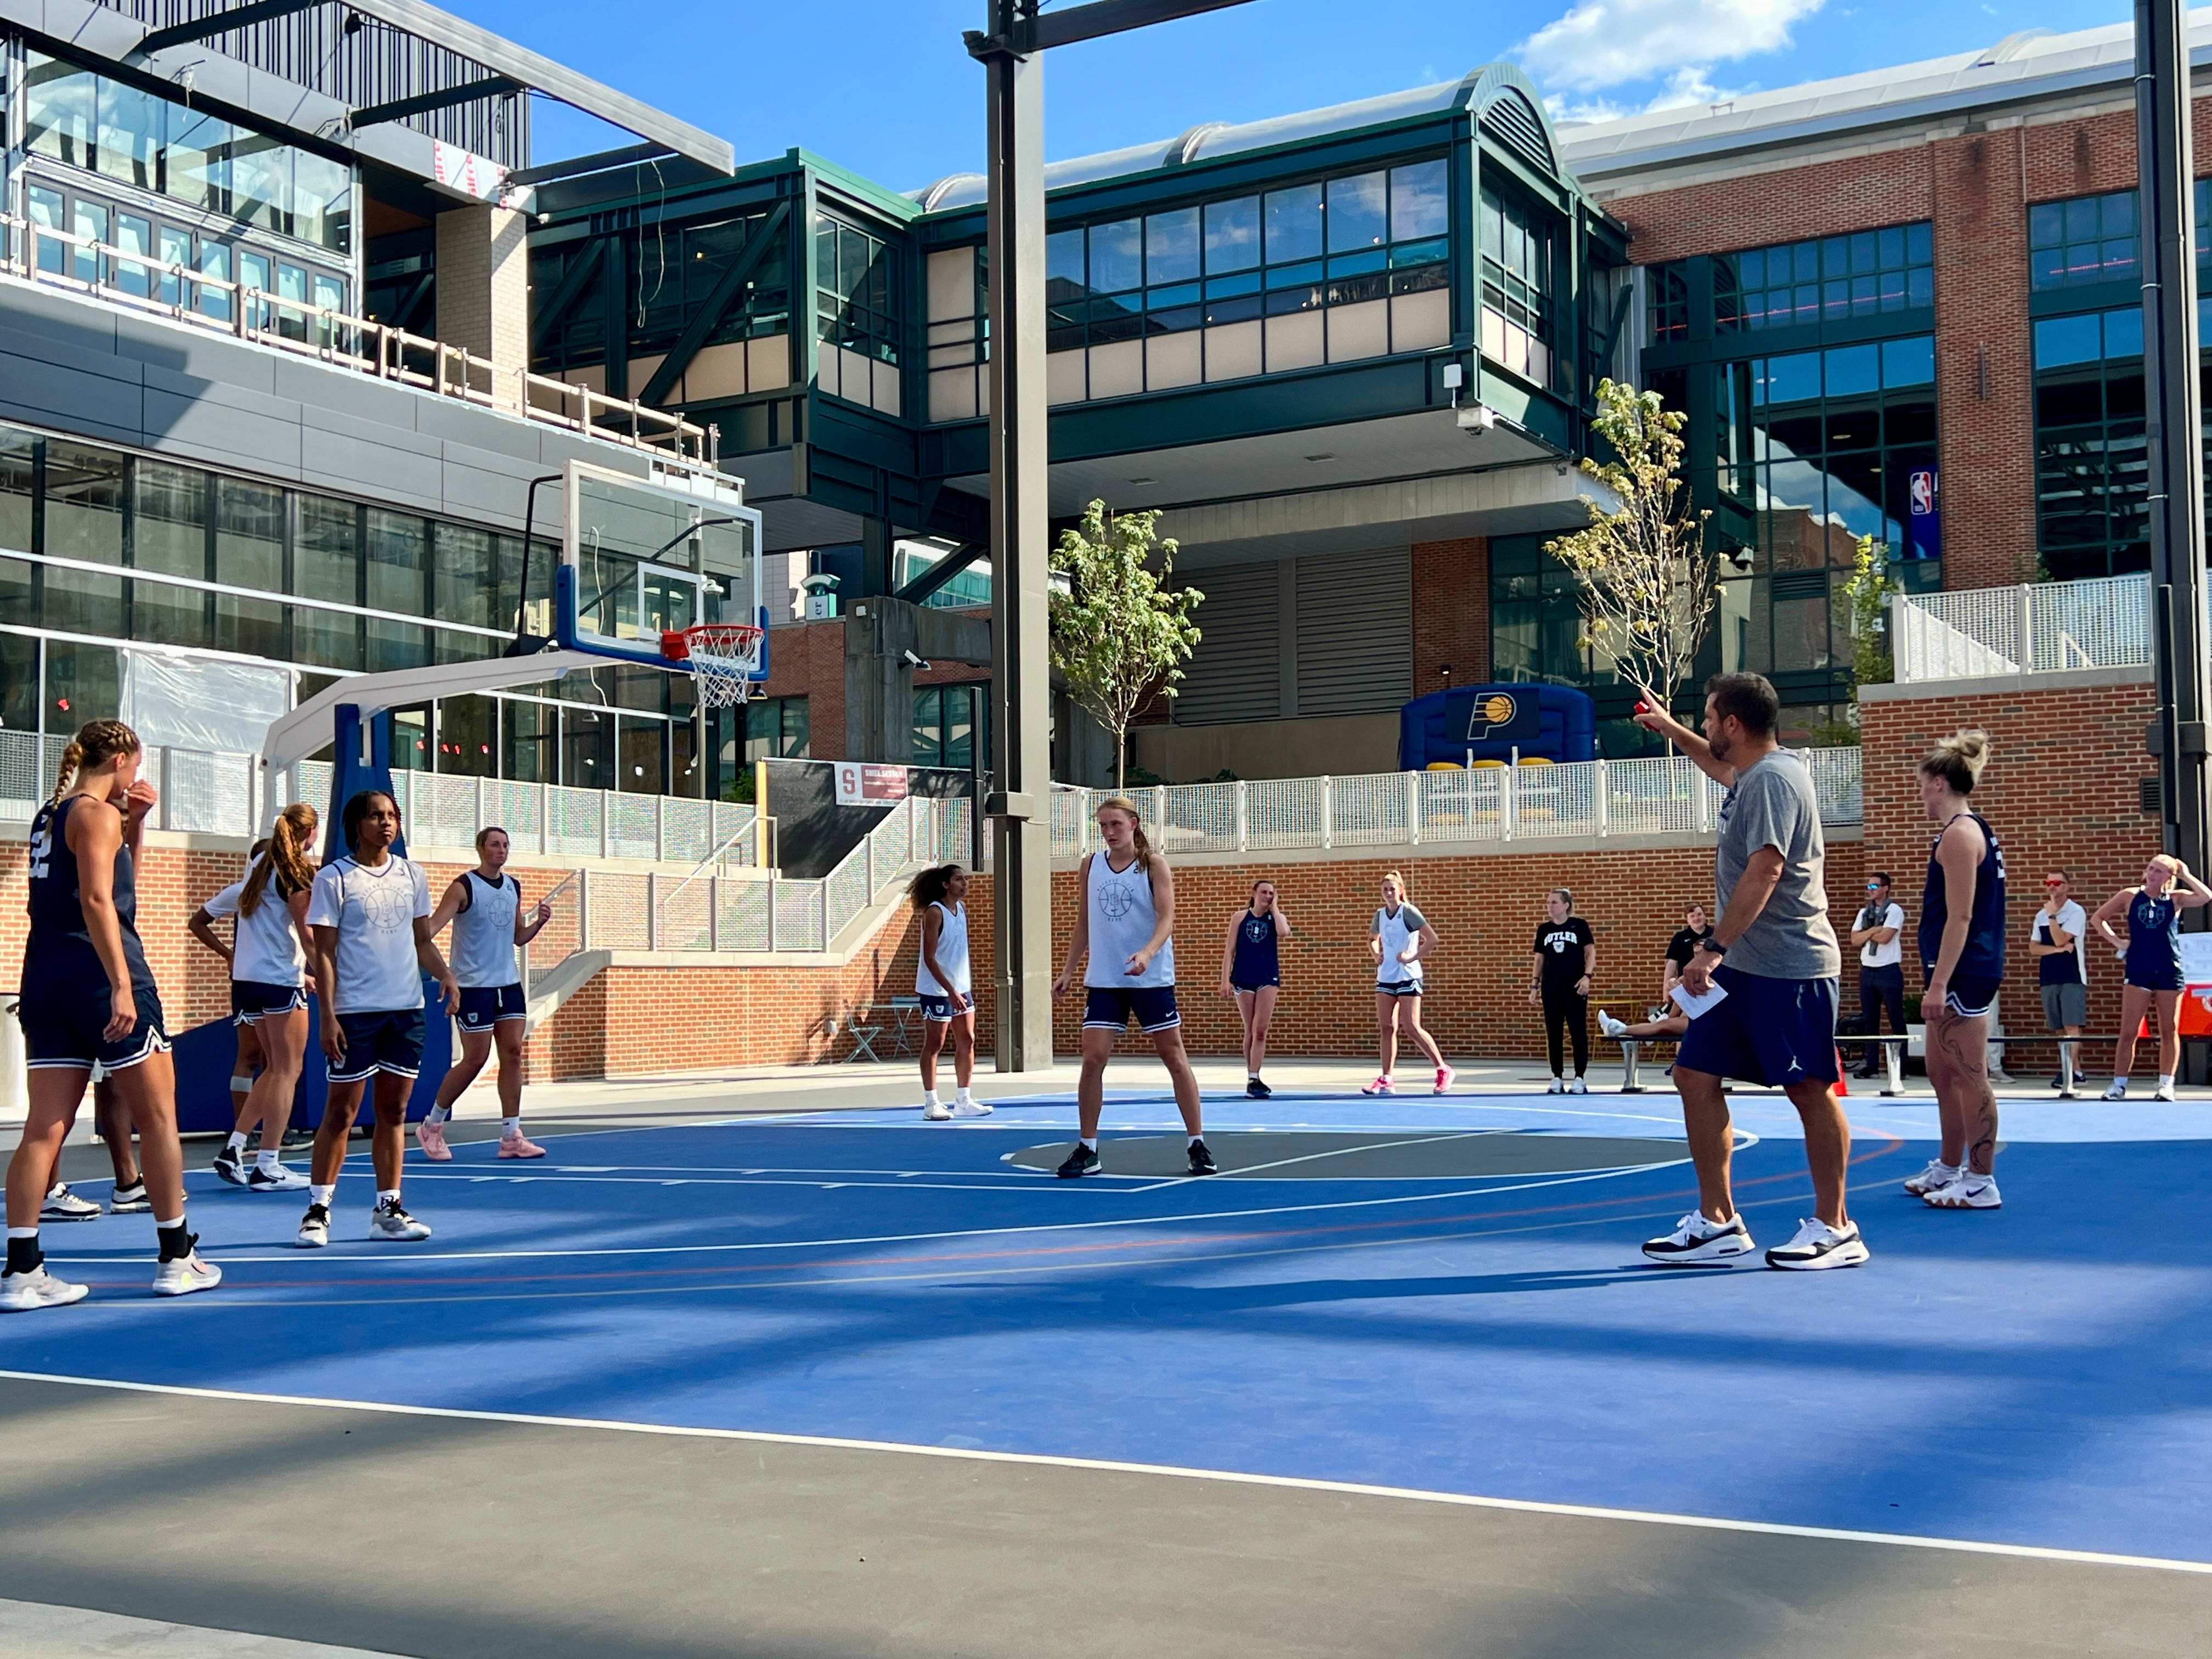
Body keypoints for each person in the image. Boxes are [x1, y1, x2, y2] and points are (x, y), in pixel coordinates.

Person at [1630, 675, 1865, 1271]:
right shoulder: (1756, 775)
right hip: (1743, 968)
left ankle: (1837, 1228)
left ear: (1733, 723)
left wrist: (1709, 950)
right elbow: (1717, 767)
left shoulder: (1774, 780)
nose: (1706, 728)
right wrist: (1671, 728)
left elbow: (1765, 871)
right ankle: (1718, 1222)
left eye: (1708, 718)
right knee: (1694, 1076)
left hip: (1788, 966)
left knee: (1808, 1088)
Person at [2, 720, 219, 1311]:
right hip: (102, 979)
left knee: (45, 1126)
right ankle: (177, 1257)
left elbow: (118, 890)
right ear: (121, 758)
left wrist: (137, 825)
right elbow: (101, 904)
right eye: (136, 765)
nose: (138, 777)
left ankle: (22, 1267)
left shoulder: (51, 817)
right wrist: (121, 984)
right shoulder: (94, 816)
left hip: (46, 980)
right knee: (158, 1117)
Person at [297, 790, 459, 1247]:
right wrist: (327, 1016)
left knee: (394, 1112)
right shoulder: (334, 879)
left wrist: (446, 975)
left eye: (392, 816)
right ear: (356, 825)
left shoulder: (413, 875)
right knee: (342, 1112)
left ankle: (387, 1210)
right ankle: (317, 1211)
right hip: (354, 1013)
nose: (386, 824)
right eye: (375, 816)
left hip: (406, 1013)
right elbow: (324, 955)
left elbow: (422, 941)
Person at [1050, 795, 1211, 1178]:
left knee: (1174, 1057)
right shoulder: (1090, 866)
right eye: (1103, 826)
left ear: (1134, 824)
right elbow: (1084, 921)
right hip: (1106, 978)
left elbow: (1167, 917)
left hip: (1149, 978)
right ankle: (1088, 1148)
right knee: (1092, 1059)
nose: (1108, 832)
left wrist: (1148, 953)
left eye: (1115, 825)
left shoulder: (1153, 865)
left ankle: (1197, 1142)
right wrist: (1069, 969)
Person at [188, 804, 319, 1192]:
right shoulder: (294, 875)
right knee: (287, 1070)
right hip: (278, 981)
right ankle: (268, 1163)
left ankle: (235, 1145)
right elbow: (306, 934)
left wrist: (233, 957)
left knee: (274, 1068)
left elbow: (203, 922)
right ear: (307, 835)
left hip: (249, 981)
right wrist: (331, 976)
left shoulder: (252, 880)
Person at [1909, 732, 2007, 1210]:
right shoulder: (1959, 833)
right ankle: (1950, 1165)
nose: (1920, 794)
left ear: (1941, 784)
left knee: (1970, 1073)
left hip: (1965, 971)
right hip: (1951, 967)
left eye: (1924, 785)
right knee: (1940, 1072)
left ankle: (1981, 1177)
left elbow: (1961, 916)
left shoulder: (1962, 836)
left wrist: (1940, 982)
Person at [419, 827, 554, 1160]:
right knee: (476, 1059)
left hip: (507, 984)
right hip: (473, 986)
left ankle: (512, 1135)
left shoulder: (512, 887)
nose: (501, 850)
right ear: (481, 849)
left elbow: (517, 937)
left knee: (513, 1053)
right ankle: (432, 1125)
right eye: (495, 844)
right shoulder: (463, 886)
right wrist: (442, 972)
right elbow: (432, 928)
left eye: (506, 845)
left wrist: (538, 924)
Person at [2092, 854, 2212, 1102]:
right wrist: (2117, 941)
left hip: (2169, 968)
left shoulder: (2175, 899)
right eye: (2150, 868)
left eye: (2159, 871)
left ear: (2169, 876)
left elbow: (2206, 897)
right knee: (2129, 1031)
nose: (2152, 874)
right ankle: (2119, 1084)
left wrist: (2185, 875)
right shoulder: (2129, 896)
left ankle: (2166, 1084)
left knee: (2169, 1029)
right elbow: (2098, 918)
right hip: (2139, 969)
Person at [1362, 871, 1452, 1096]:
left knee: (1411, 1026)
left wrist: (1412, 957)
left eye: (1392, 889)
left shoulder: (1408, 913)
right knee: (1387, 1027)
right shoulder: (1380, 915)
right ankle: (1386, 1078)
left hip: (1407, 975)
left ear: (1401, 890)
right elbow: (1372, 938)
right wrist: (1376, 955)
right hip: (1386, 976)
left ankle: (1443, 1069)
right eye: (1385, 890)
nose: (1389, 893)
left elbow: (1432, 939)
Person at [910, 863, 986, 1121]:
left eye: (966, 879)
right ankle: (931, 1103)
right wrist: (950, 990)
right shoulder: (935, 912)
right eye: (958, 880)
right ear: (945, 884)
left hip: (961, 987)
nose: (964, 884)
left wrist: (960, 987)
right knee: (935, 1043)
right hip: (937, 989)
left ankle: (963, 1099)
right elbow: (930, 958)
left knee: (967, 1039)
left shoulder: (961, 909)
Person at [1220, 879, 1296, 1099]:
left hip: (1267, 977)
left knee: (1260, 1030)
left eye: (1272, 893)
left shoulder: (1276, 918)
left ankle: (1255, 1077)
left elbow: (1284, 933)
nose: (1268, 896)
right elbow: (1229, 951)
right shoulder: (1240, 917)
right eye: (1264, 892)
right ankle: (1252, 1077)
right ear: (1254, 893)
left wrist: (1276, 908)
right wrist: (1225, 980)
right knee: (1250, 1030)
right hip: (1244, 977)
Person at [1529, 888, 1595, 1094]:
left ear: (1566, 905)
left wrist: (1587, 976)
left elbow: (1591, 952)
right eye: (1548, 902)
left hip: (1574, 987)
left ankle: (1580, 1077)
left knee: (1577, 1031)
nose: (1550, 906)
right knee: (1554, 1032)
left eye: (1554, 902)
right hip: (1551, 987)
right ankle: (1557, 1076)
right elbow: (1539, 958)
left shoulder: (1579, 926)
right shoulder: (1544, 930)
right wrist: (1534, 985)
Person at [2030, 870, 2089, 1094]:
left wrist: (2053, 916)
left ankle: (2068, 1073)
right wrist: (2057, 951)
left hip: (2072, 976)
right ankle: (2076, 1070)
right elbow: (2034, 948)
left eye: (2057, 883)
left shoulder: (2076, 912)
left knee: (2072, 1025)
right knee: (2058, 1028)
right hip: (2049, 976)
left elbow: (2060, 938)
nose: (2052, 887)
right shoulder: (2040, 915)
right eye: (2049, 883)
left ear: (2067, 886)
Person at [1847, 872, 1906, 1079]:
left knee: (1895, 1018)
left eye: (1874, 887)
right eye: (1868, 887)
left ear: (1885, 888)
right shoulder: (1864, 913)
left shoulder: (1894, 910)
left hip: (1888, 969)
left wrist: (1870, 934)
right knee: (1870, 1020)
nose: (1870, 891)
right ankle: (1871, 1064)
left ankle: (1901, 1066)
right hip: (1868, 970)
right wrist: (1874, 929)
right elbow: (1855, 940)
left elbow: (1885, 938)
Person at [1663, 905, 1713, 1005]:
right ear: (1687, 920)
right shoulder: (1680, 938)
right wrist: (1666, 990)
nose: (1697, 918)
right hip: (1686, 984)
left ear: (1705, 916)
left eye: (1699, 914)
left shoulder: (1715, 935)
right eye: (1692, 916)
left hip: (1712, 984)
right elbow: (1671, 964)